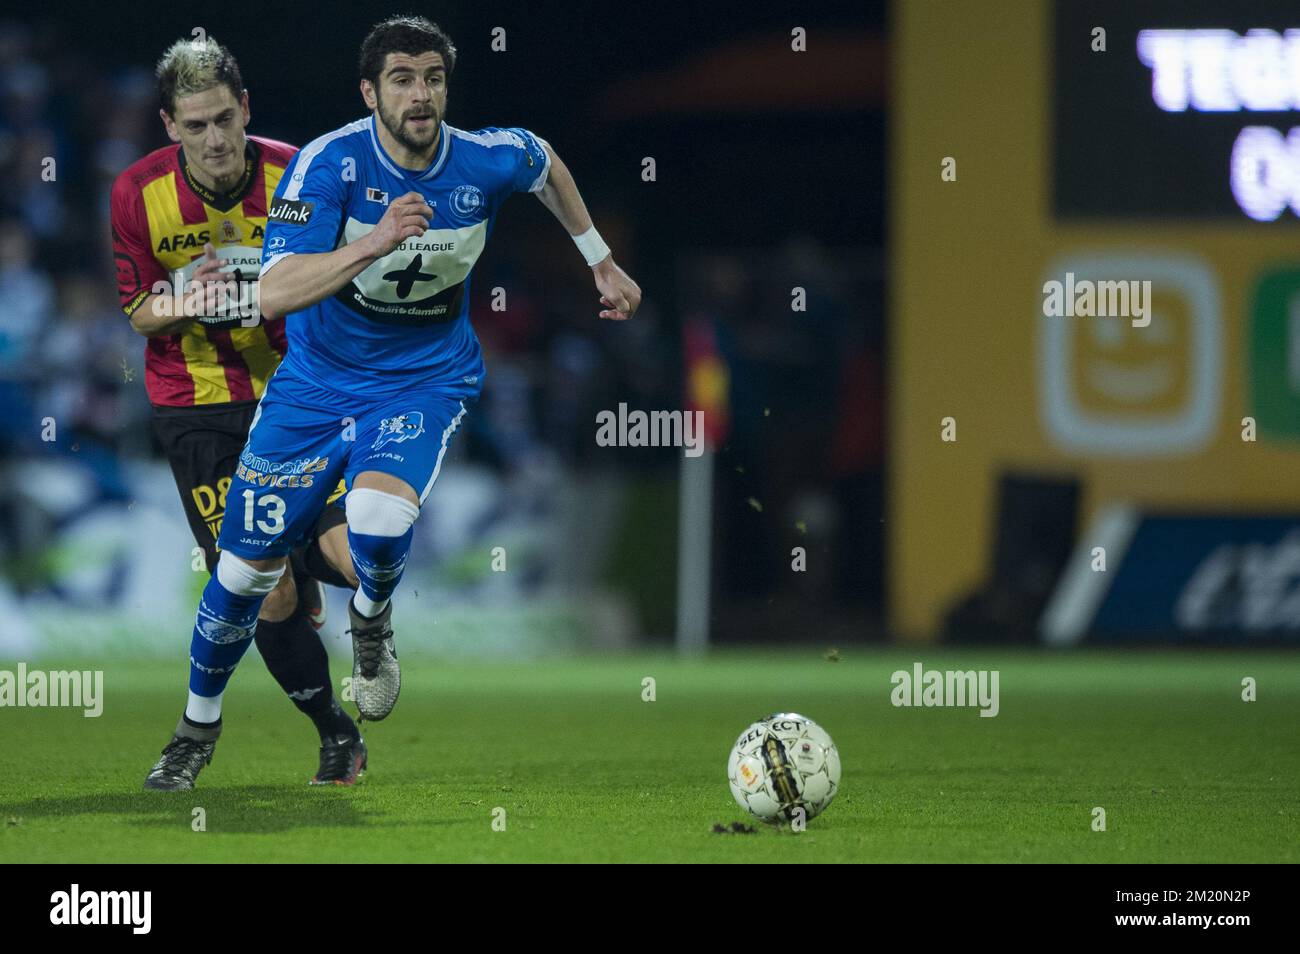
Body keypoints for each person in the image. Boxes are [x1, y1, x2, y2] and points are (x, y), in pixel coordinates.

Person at [112, 37, 365, 789]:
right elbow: (137, 310)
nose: (216, 139)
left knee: (362, 556)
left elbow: (337, 276)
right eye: (196, 125)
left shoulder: (298, 173)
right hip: (198, 407)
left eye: (225, 118)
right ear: (169, 125)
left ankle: (302, 555)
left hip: (299, 396)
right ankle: (334, 734)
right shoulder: (136, 194)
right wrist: (187, 301)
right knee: (266, 586)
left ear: (246, 108)